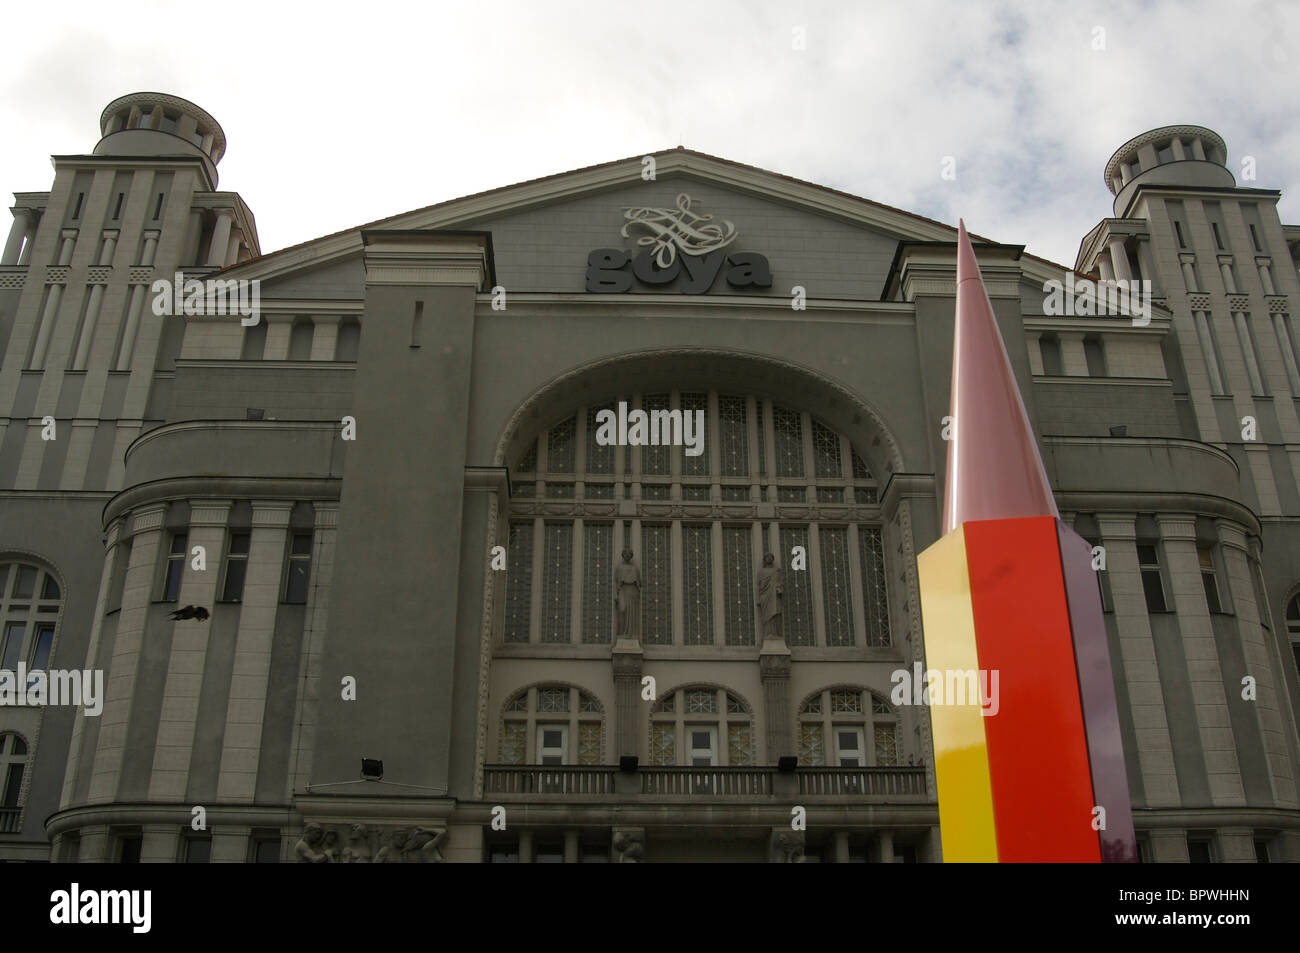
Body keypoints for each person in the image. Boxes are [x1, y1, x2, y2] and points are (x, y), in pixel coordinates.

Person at [615, 548, 641, 640]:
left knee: (632, 613)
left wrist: (637, 592)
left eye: (629, 554)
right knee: (622, 610)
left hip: (632, 591)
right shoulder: (619, 568)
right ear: (623, 555)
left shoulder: (635, 568)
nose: (627, 555)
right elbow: (616, 582)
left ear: (631, 556)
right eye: (625, 554)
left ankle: (630, 634)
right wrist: (616, 594)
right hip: (622, 590)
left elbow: (638, 584)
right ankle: (622, 633)